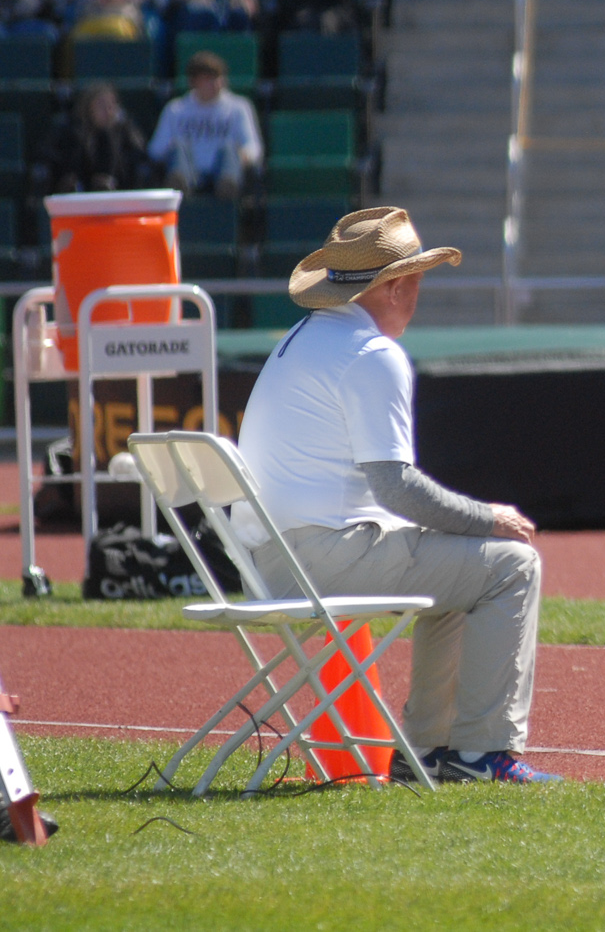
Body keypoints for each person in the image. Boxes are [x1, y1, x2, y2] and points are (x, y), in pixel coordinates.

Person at [234, 206, 555, 784]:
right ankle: (480, 754)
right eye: (418, 280)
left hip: (274, 560)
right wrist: (487, 518)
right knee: (514, 565)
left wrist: (469, 525)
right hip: (318, 560)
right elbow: (395, 487)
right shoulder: (372, 354)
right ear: (398, 284)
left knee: (468, 562)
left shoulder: (303, 338)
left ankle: (430, 751)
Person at [148, 50, 263, 198]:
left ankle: (227, 190)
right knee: (179, 147)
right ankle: (178, 189)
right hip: (189, 172)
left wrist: (242, 155)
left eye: (219, 78)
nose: (216, 84)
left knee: (230, 148)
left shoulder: (239, 107)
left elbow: (254, 148)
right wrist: (172, 149)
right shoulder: (175, 109)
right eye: (208, 79)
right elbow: (155, 149)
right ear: (194, 82)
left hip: (224, 173)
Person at [40, 82, 150, 194]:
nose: (108, 111)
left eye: (111, 105)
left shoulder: (125, 131)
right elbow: (56, 159)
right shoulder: (72, 131)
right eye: (101, 105)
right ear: (88, 107)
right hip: (78, 193)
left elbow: (138, 157)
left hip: (119, 193)